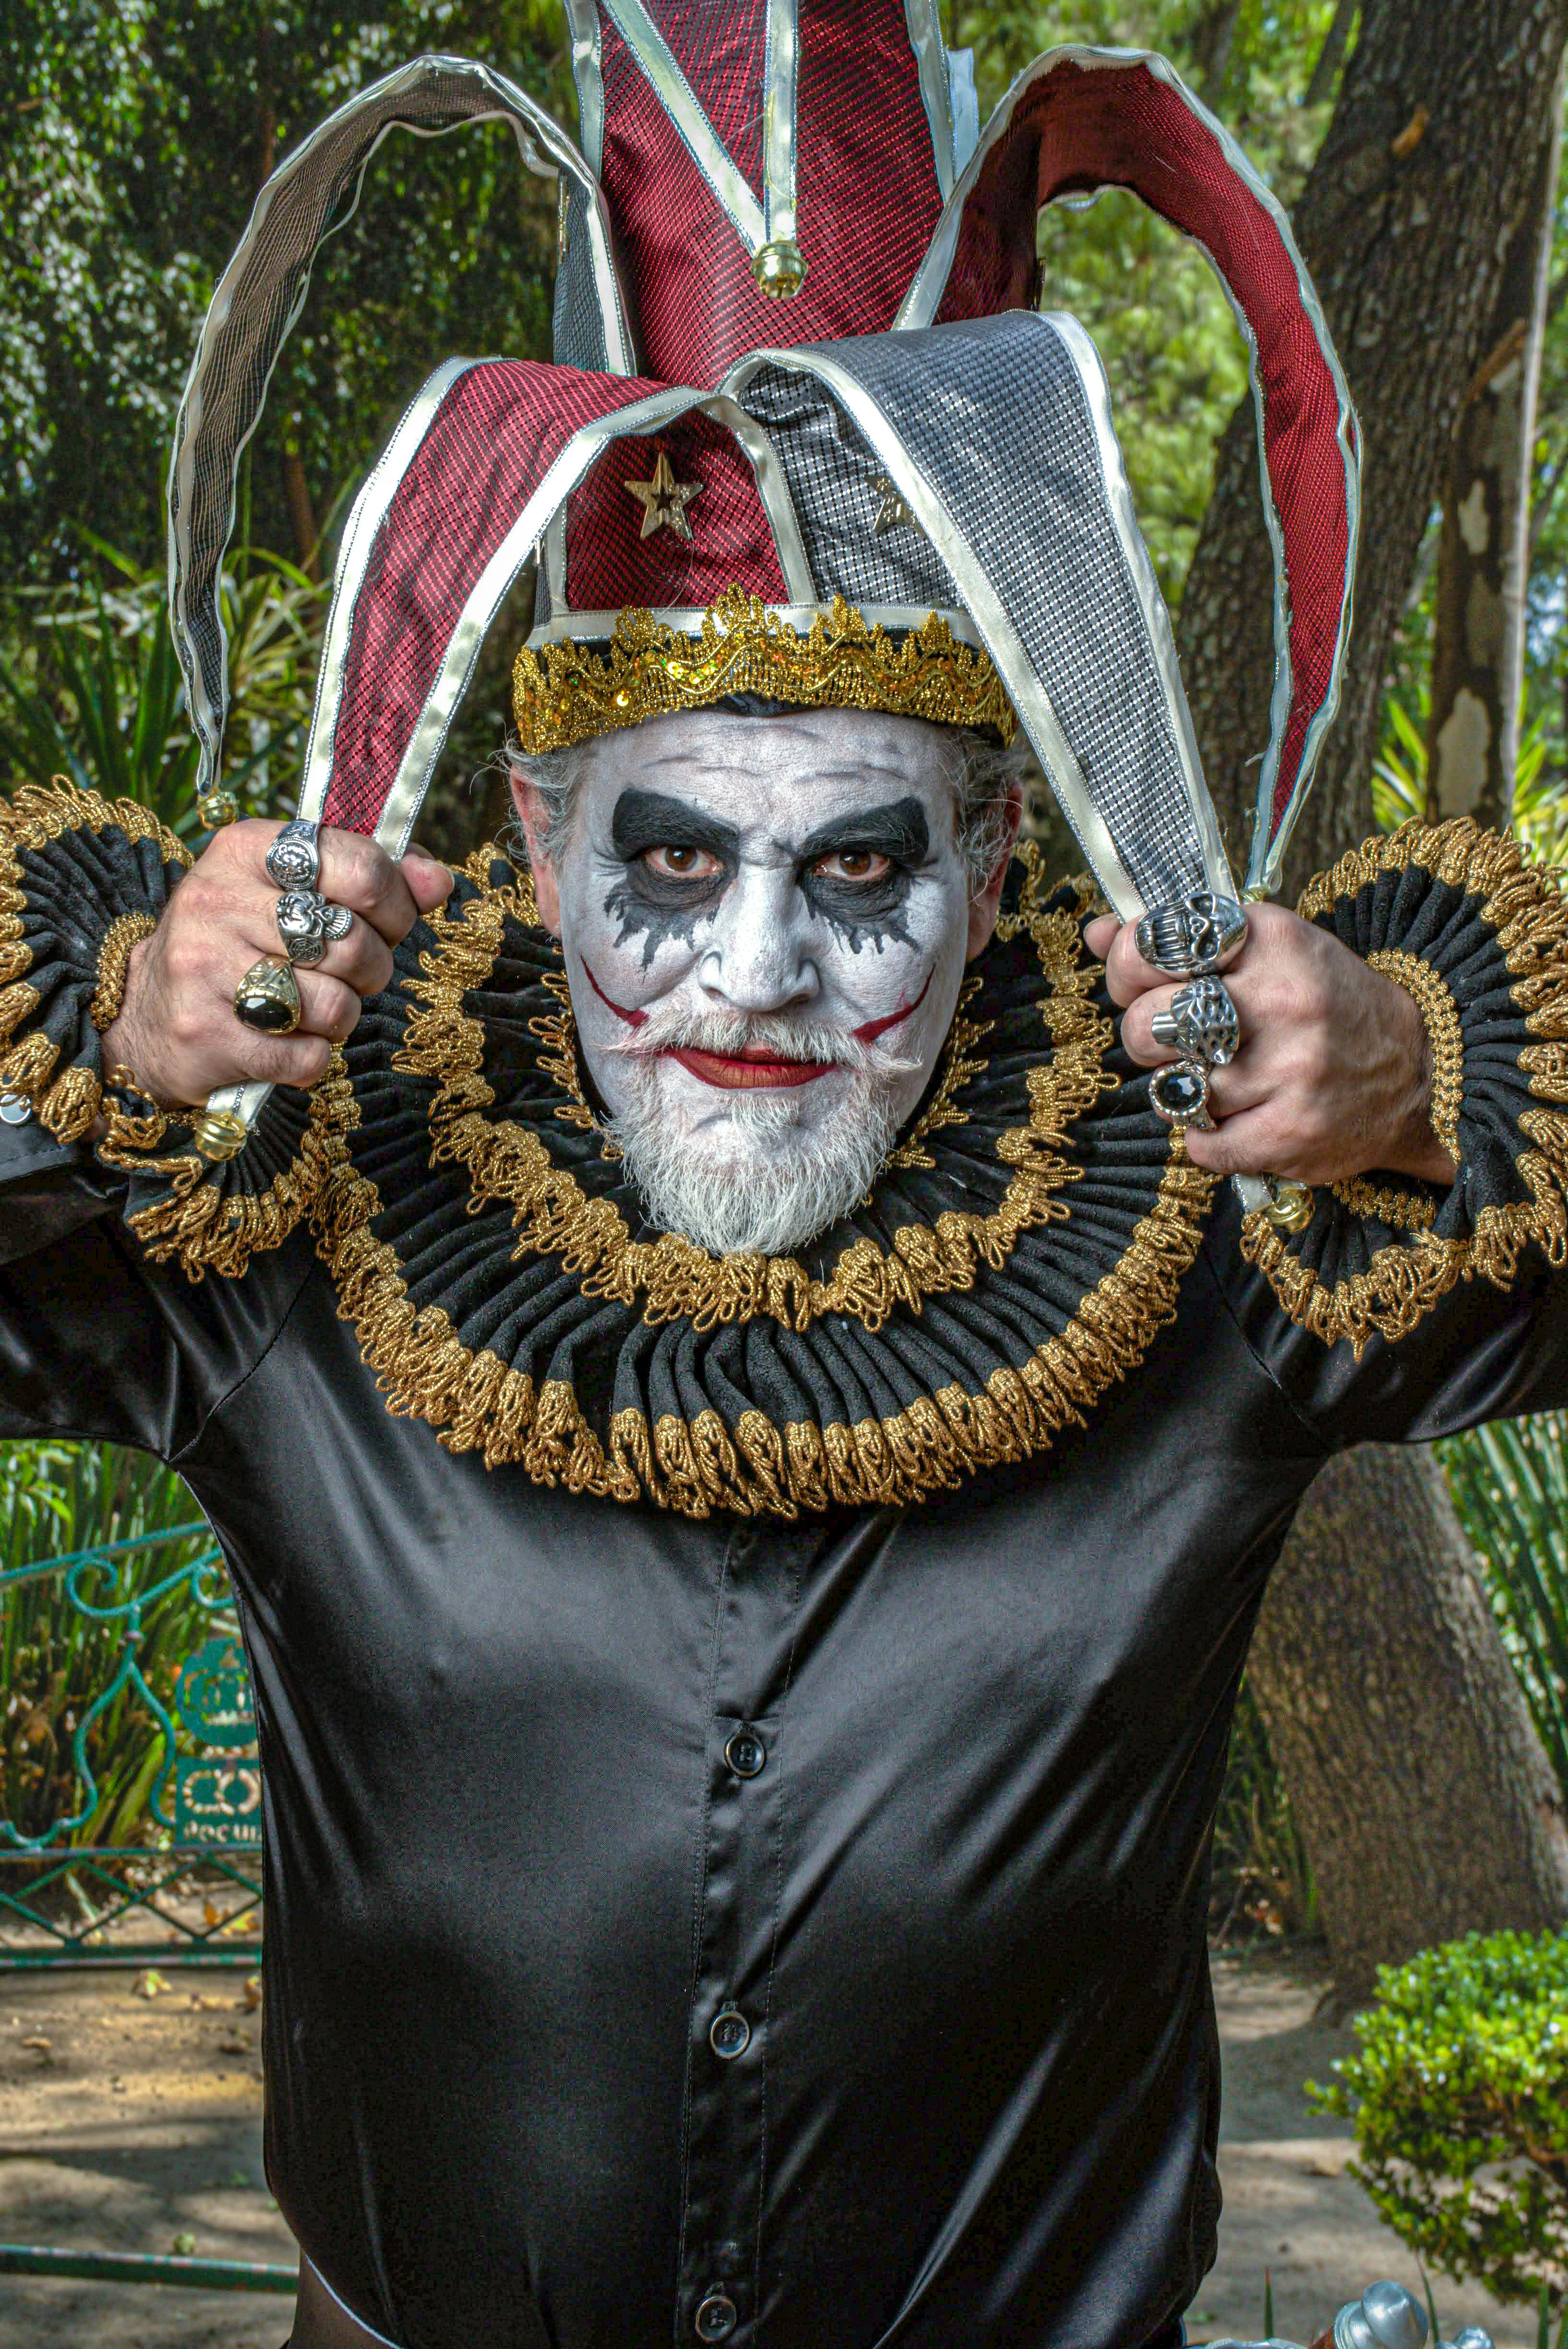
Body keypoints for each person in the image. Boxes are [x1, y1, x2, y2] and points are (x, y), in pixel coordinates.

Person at [1, 12, 1566, 2348]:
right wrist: (98, 1046)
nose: (757, 970)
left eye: (859, 863)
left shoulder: (1204, 1189)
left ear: (994, 847)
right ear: (533, 835)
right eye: (667, 852)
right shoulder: (296, 1187)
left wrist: (1431, 1071)